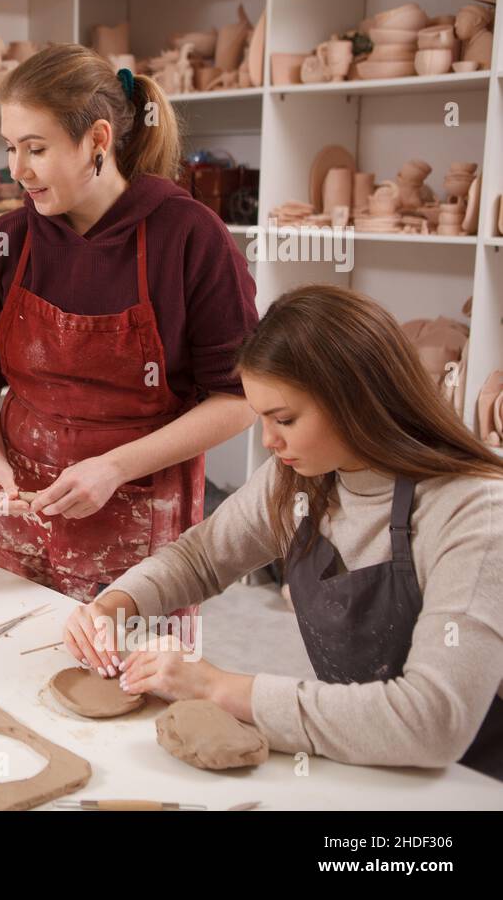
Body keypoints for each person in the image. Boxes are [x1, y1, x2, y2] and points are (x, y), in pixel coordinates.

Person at [64, 285, 503, 778]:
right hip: (364, 756)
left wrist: (218, 688)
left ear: (357, 400)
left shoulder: (472, 508)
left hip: (470, 781)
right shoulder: (299, 478)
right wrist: (113, 605)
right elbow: (201, 558)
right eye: (262, 419)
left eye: (286, 419)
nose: (270, 442)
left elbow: (434, 722)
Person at [0, 44, 258, 611]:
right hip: (23, 513)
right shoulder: (5, 243)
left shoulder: (190, 236)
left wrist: (114, 467)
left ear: (97, 140)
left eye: (36, 149)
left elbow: (240, 399)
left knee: (125, 687)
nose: (17, 171)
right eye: (10, 147)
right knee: (8, 676)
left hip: (139, 521)